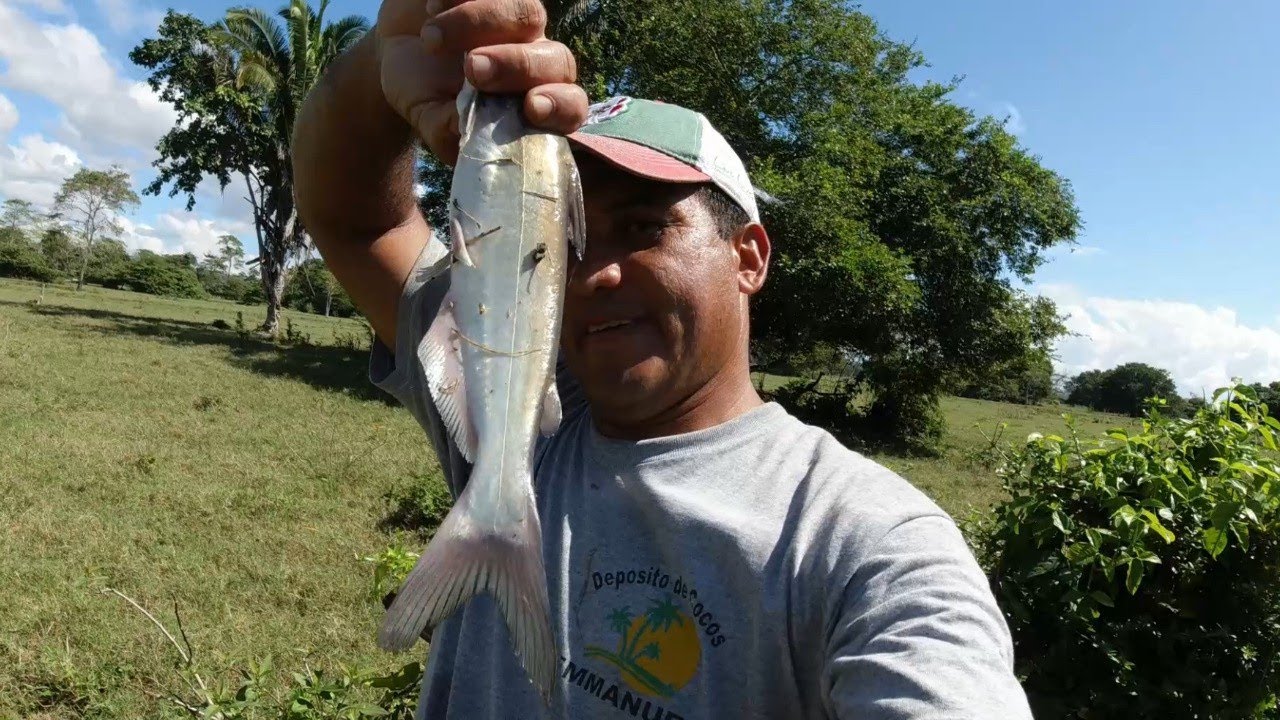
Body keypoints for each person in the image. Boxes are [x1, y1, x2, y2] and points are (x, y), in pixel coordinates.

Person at [293, 0, 1033, 717]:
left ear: (748, 257)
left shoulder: (861, 542)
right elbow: (358, 219)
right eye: (570, 238)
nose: (594, 274)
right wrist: (382, 68)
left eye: (645, 225)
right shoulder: (517, 416)